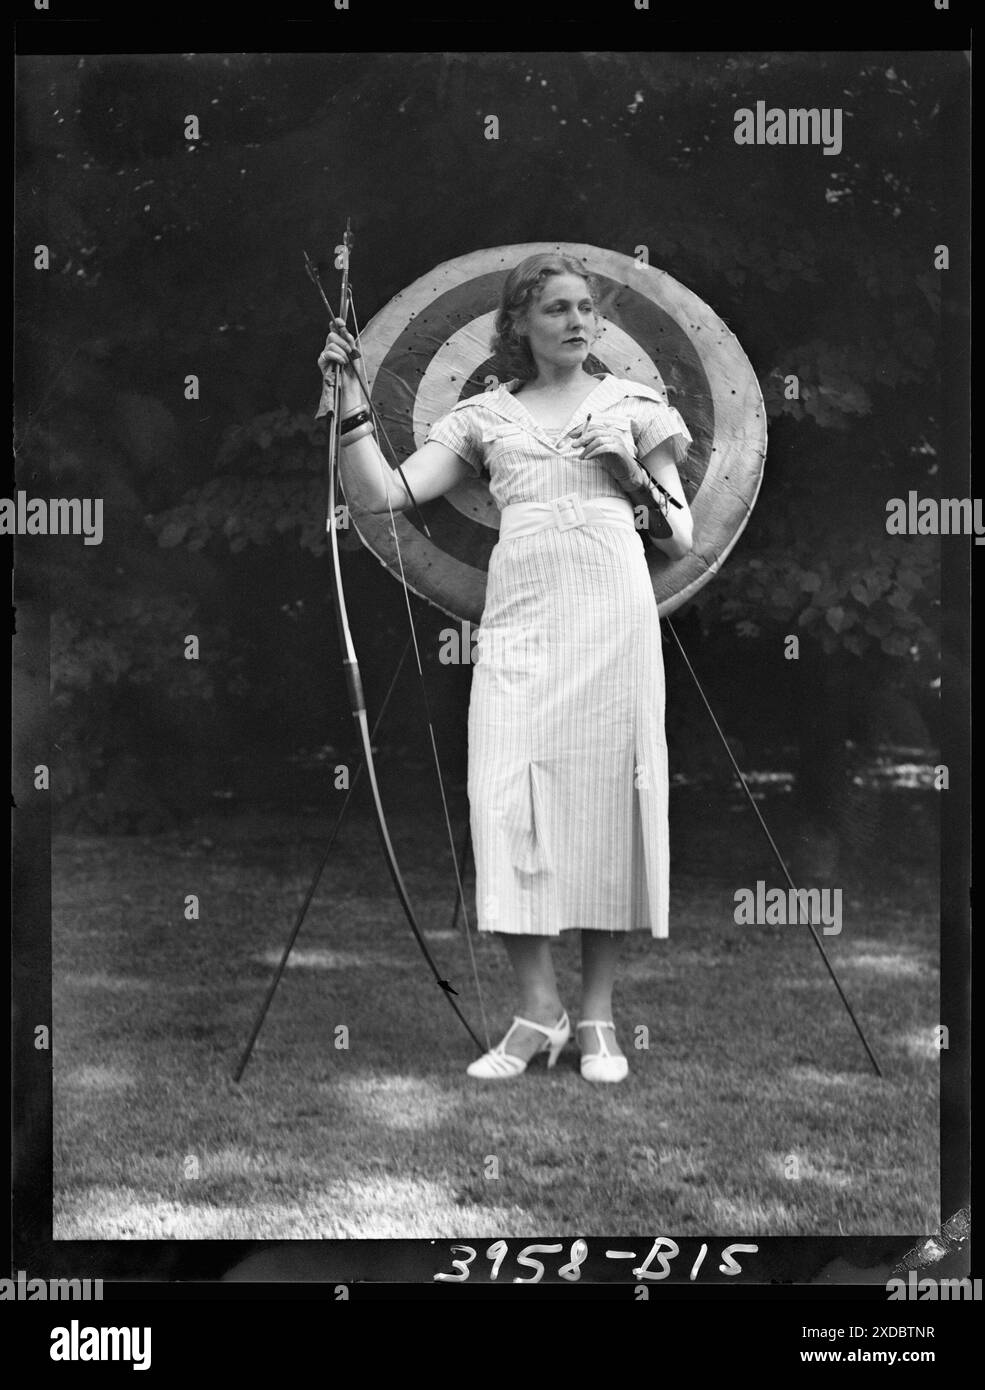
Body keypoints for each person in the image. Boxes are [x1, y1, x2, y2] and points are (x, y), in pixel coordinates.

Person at [317, 251, 694, 1083]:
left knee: (608, 800)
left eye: (586, 308)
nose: (576, 321)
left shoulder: (634, 405)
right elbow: (382, 493)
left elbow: (680, 535)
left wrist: (629, 471)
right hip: (520, 622)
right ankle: (536, 1014)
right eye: (555, 308)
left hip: (611, 620)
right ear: (518, 323)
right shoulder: (485, 415)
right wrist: (347, 401)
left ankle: (595, 1019)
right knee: (504, 798)